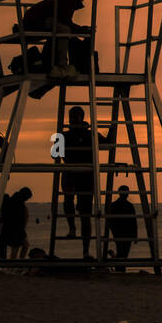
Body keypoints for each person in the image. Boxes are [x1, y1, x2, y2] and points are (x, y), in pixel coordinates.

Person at [61, 106, 107, 259]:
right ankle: (72, 228)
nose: (72, 119)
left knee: (85, 214)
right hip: (71, 172)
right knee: (68, 199)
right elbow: (55, 154)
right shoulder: (65, 135)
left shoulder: (90, 134)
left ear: (81, 117)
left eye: (75, 117)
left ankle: (85, 250)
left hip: (86, 174)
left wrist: (112, 128)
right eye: (71, 117)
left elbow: (106, 143)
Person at [20, 0, 87, 80]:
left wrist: (79, 29)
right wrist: (81, 29)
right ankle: (62, 66)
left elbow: (64, 20)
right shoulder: (67, 0)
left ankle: (55, 63)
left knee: (64, 30)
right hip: (35, 23)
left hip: (37, 21)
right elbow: (65, 21)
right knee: (64, 30)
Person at [105, 184, 137, 271]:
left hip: (119, 232)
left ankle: (120, 268)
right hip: (125, 232)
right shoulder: (129, 206)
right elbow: (133, 221)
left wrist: (112, 230)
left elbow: (110, 220)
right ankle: (121, 268)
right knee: (124, 252)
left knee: (121, 250)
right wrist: (135, 235)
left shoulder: (114, 205)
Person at [0, 187, 33, 260]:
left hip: (17, 229)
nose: (27, 200)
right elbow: (17, 217)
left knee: (23, 246)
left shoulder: (17, 200)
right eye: (27, 198)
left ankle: (18, 262)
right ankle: (15, 265)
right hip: (16, 229)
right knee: (16, 248)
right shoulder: (17, 202)